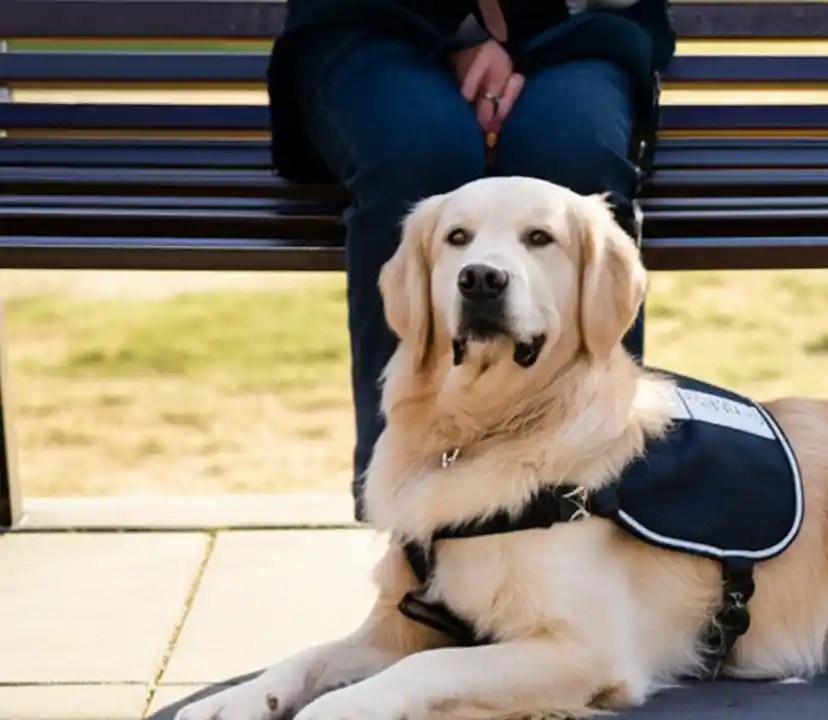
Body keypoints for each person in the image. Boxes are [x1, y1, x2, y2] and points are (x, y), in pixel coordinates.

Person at [266, 0, 675, 519]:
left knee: (573, 156)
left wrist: (518, 39)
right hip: (374, 19)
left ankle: (605, 499)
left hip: (575, 26)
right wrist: (463, 36)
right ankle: (407, 518)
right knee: (420, 155)